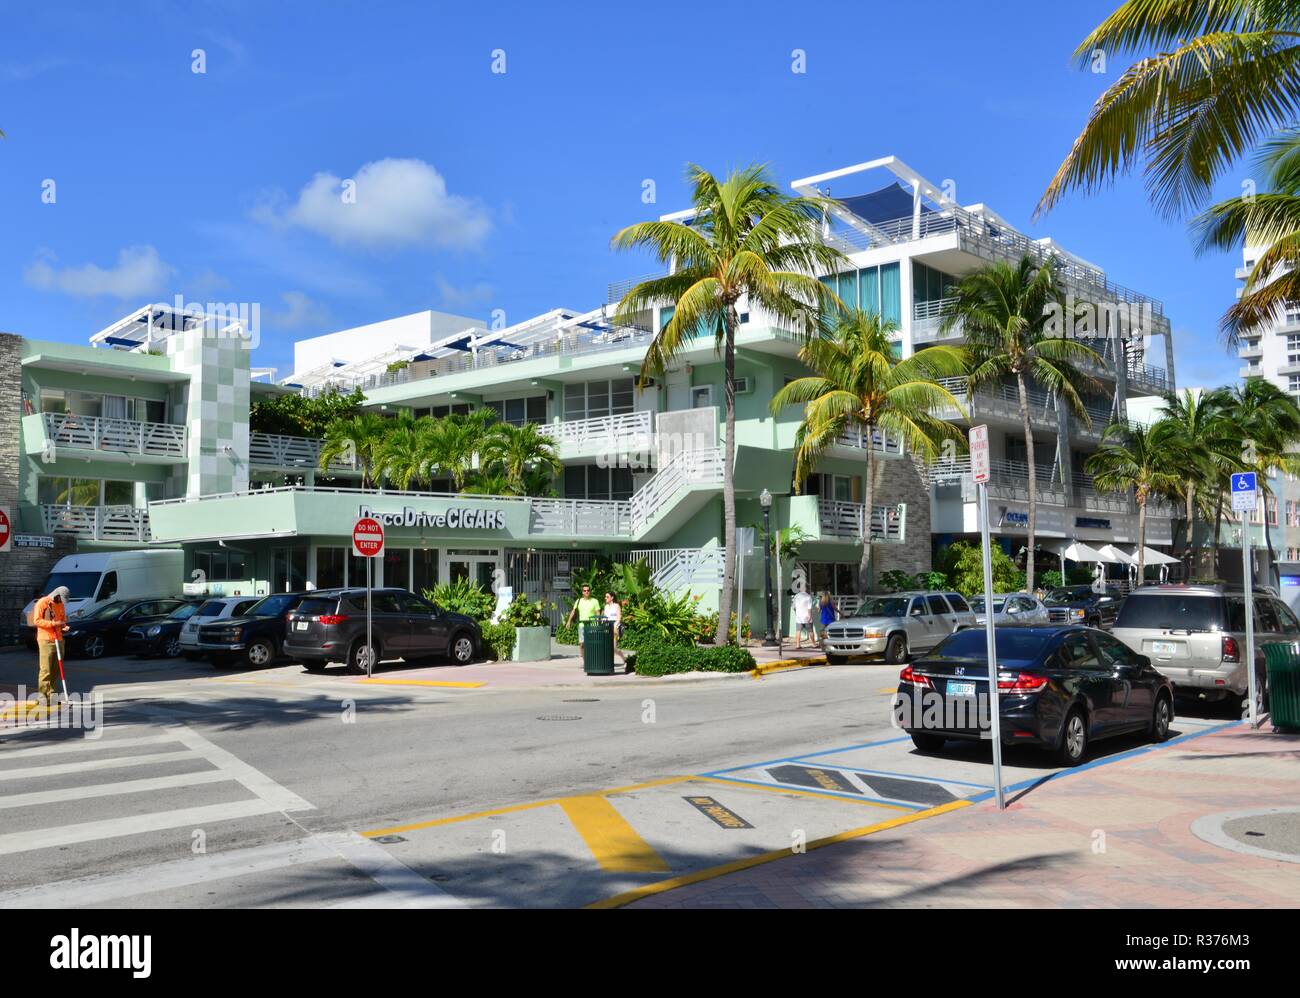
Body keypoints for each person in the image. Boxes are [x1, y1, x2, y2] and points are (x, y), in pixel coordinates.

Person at [30, 585, 70, 706]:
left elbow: (63, 620)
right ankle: (42, 696)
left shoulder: (61, 604)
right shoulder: (43, 602)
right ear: (56, 595)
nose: (61, 602)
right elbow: (36, 621)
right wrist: (54, 623)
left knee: (56, 670)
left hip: (59, 639)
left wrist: (64, 626)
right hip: (45, 640)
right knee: (46, 669)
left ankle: (52, 695)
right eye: (61, 599)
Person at [602, 591, 624, 664]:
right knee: (607, 646)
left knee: (614, 647)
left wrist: (615, 626)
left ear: (612, 598)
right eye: (605, 597)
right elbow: (604, 617)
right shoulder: (606, 607)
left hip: (615, 626)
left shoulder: (616, 606)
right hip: (607, 626)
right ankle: (609, 662)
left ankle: (625, 659)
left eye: (607, 597)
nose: (606, 598)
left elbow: (619, 618)